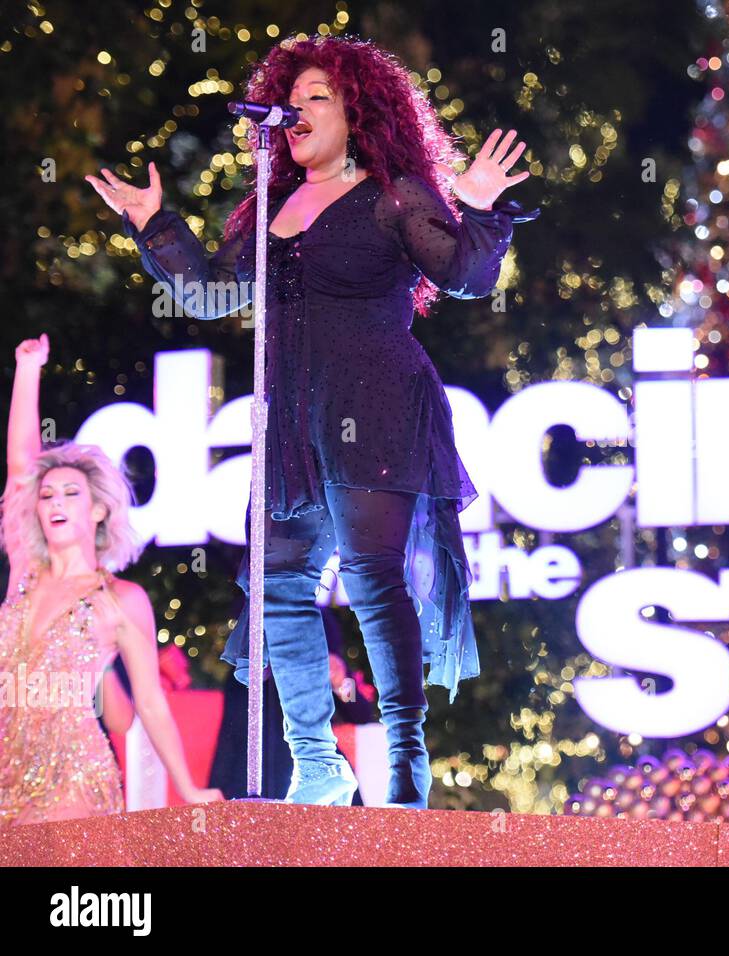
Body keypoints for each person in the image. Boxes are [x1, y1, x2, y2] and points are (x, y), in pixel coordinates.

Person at [86, 35, 536, 809]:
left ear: (357, 112)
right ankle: (316, 760)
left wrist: (481, 209)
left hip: (379, 407)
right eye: (289, 99)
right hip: (292, 424)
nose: (296, 110)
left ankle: (403, 757)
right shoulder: (272, 204)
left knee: (371, 576)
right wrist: (156, 225)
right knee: (276, 584)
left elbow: (464, 274)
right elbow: (211, 292)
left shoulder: (395, 194)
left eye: (317, 96)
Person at [0, 334, 222, 825]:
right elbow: (21, 467)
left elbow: (149, 700)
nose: (55, 502)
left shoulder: (121, 599)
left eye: (70, 493)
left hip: (70, 775)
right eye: (48, 495)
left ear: (98, 509)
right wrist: (29, 370)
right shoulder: (25, 573)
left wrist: (188, 787)